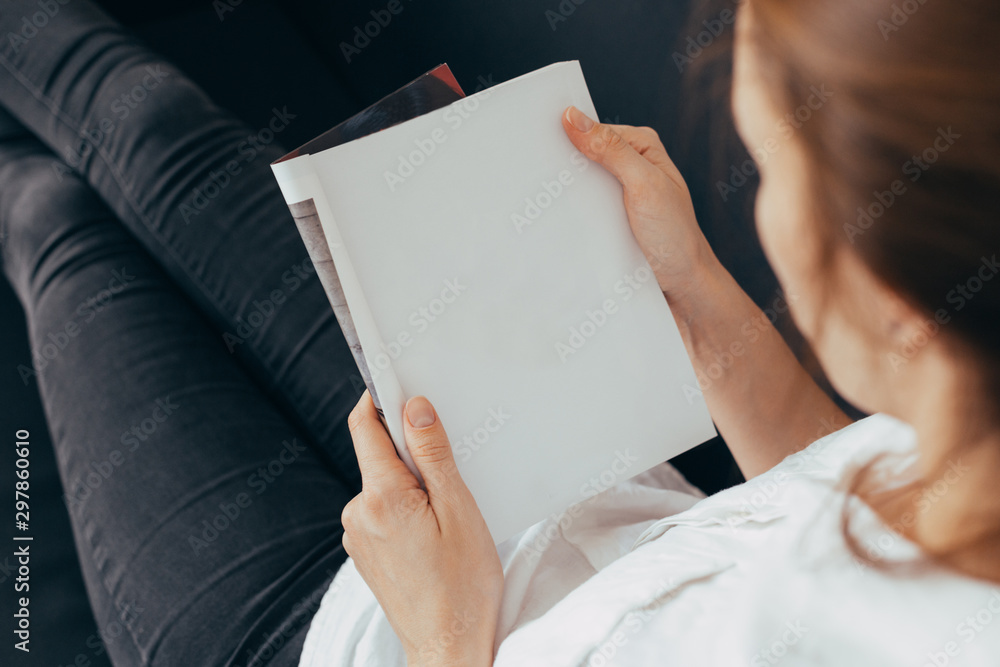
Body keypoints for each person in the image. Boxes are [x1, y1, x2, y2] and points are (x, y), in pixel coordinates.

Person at [1, 1, 997, 667]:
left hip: (323, 631)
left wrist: (445, 628)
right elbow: (816, 472)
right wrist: (685, 276)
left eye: (775, 177)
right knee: (153, 134)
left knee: (51, 216)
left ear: (898, 314)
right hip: (524, 476)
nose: (767, 217)